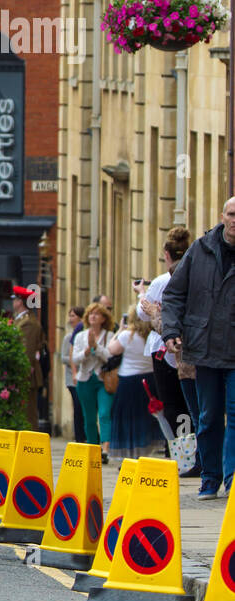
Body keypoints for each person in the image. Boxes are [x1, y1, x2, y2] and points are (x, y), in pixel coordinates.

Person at [162, 197, 235, 499]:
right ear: (222, 216)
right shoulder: (201, 249)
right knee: (208, 416)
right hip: (203, 348)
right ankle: (210, 477)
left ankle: (231, 479)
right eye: (232, 214)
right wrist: (171, 330)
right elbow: (174, 294)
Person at [135, 227, 193, 445]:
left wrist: (142, 296)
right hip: (189, 349)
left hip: (165, 348)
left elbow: (142, 312)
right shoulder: (193, 276)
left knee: (172, 403)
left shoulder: (161, 281)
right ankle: (188, 450)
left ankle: (182, 450)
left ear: (166, 254)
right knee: (189, 404)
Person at [105, 309, 163, 460]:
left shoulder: (126, 336)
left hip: (128, 381)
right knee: (144, 416)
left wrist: (119, 331)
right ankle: (146, 450)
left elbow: (112, 349)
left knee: (127, 417)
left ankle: (128, 453)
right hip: (149, 381)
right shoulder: (153, 335)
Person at [71, 302, 116, 463]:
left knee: (104, 413)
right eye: (90, 313)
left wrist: (96, 347)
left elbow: (110, 357)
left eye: (97, 314)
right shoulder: (80, 336)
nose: (93, 316)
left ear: (103, 318)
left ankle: (105, 448)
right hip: (85, 380)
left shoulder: (109, 336)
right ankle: (92, 448)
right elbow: (75, 358)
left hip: (103, 380)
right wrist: (87, 350)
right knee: (89, 417)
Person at [11, 285, 43, 430]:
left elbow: (27, 351)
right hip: (22, 374)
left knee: (28, 414)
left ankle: (32, 444)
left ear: (20, 302)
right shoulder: (20, 320)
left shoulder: (28, 323)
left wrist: (22, 372)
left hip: (27, 375)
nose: (13, 303)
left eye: (15, 299)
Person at [60, 305, 87, 443]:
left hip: (84, 375)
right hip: (72, 379)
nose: (71, 319)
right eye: (70, 316)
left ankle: (85, 435)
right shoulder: (69, 337)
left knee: (85, 408)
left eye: (73, 316)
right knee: (78, 407)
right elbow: (63, 357)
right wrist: (76, 359)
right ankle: (79, 437)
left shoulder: (85, 336)